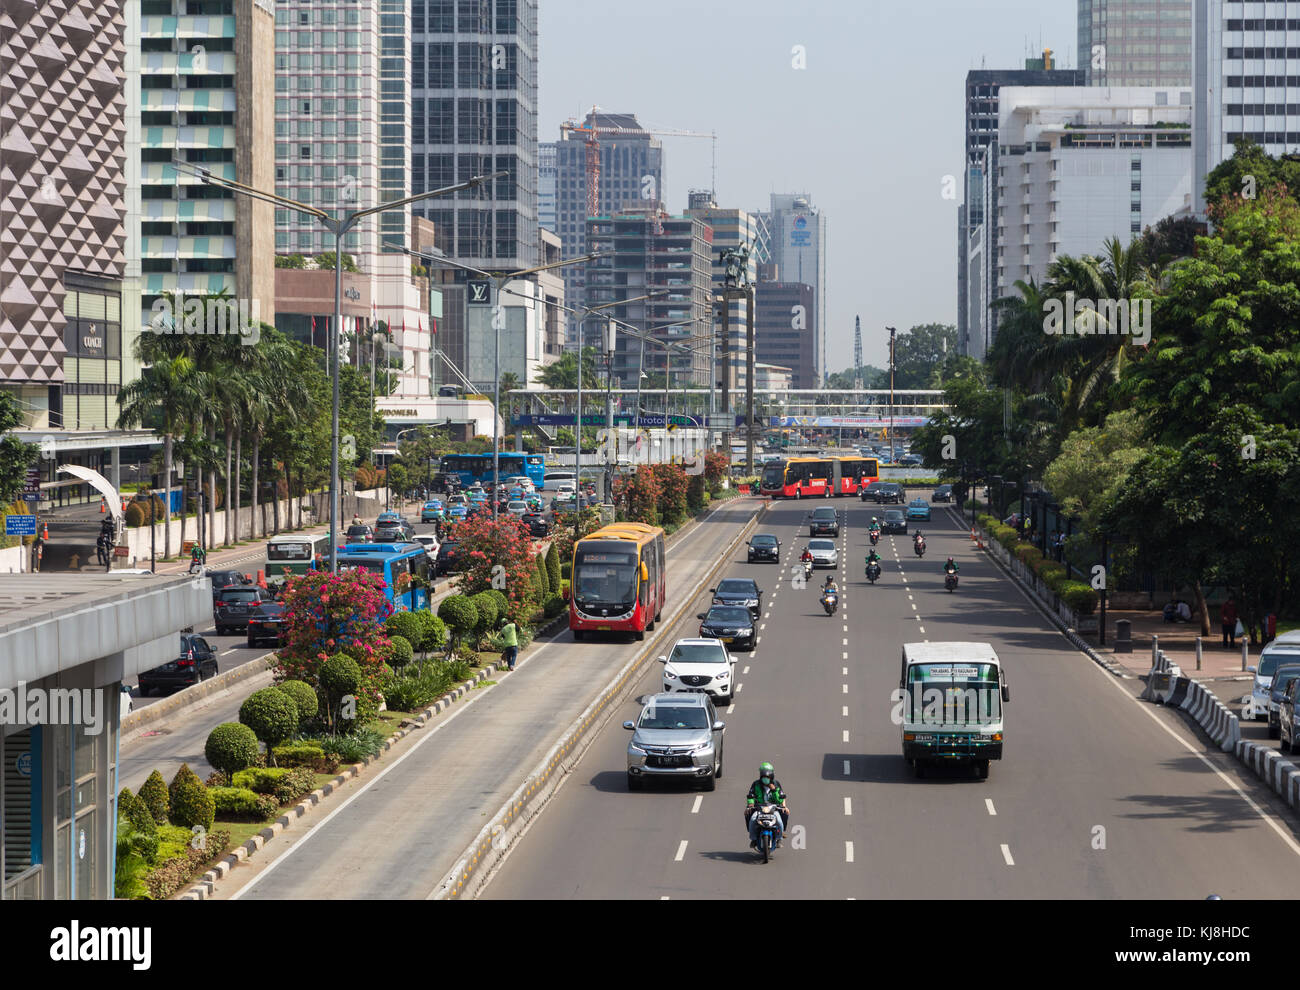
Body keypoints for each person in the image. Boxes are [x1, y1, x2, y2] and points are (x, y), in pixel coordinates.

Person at [745, 762, 790, 849]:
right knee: (753, 820)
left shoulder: (776, 784)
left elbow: (780, 799)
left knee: (780, 822)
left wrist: (774, 790)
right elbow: (751, 795)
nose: (765, 778)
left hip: (773, 808)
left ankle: (779, 839)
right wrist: (750, 805)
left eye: (767, 776)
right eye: (764, 776)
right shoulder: (756, 784)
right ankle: (753, 839)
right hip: (759, 808)